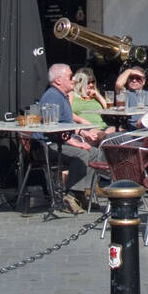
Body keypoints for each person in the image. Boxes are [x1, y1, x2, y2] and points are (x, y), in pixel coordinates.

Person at [36, 63, 103, 212]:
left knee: (94, 152)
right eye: (70, 77)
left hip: (60, 141)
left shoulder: (63, 96)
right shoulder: (52, 97)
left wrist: (82, 133)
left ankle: (81, 194)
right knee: (81, 153)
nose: (73, 80)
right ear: (59, 80)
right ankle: (71, 196)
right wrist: (75, 143)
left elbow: (66, 124)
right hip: (48, 145)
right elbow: (52, 129)